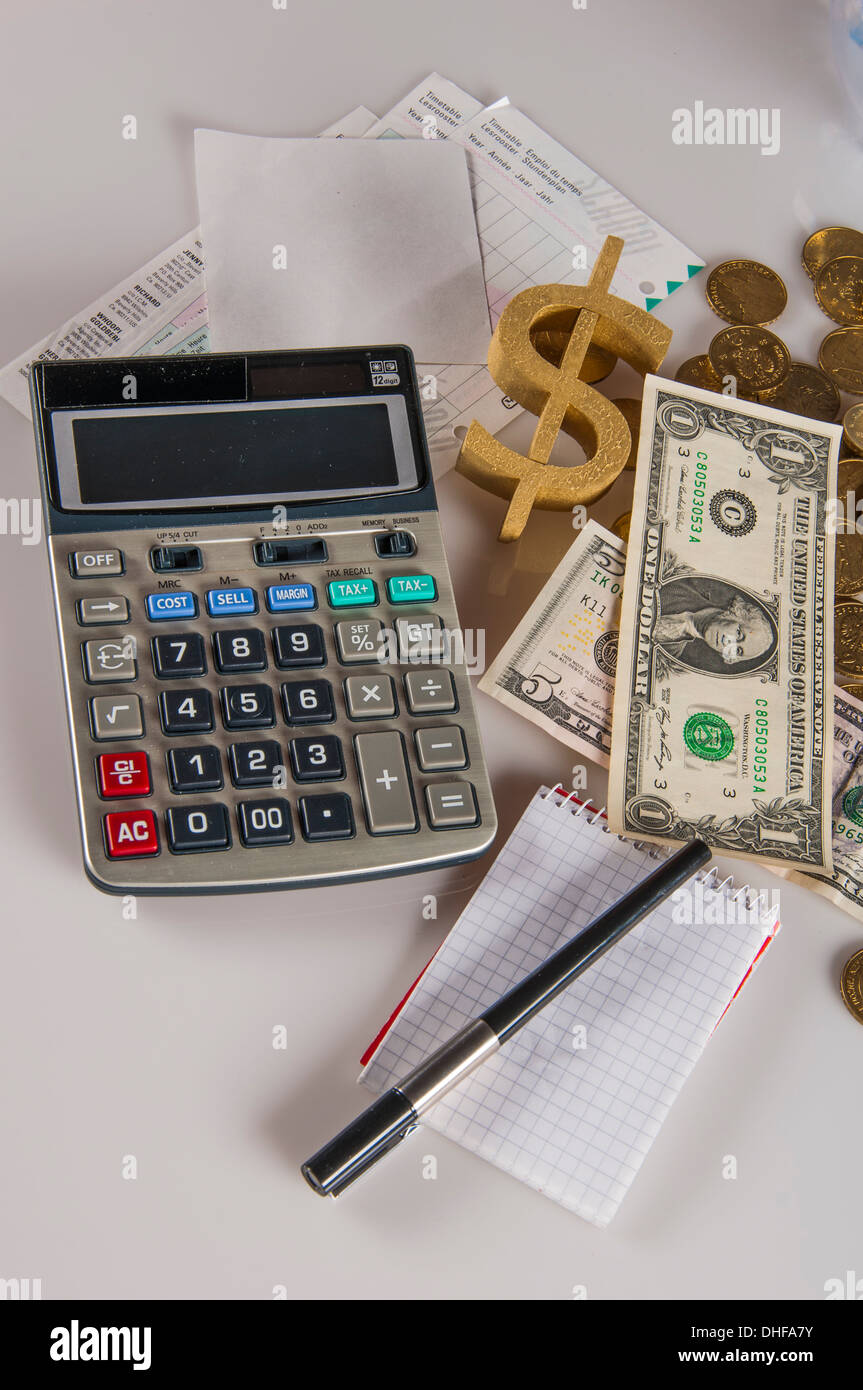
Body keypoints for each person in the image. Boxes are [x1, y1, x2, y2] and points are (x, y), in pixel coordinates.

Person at [654, 575, 776, 674]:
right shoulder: (686, 584)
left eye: (737, 650)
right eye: (738, 634)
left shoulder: (673, 657)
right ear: (735, 613)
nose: (729, 642)